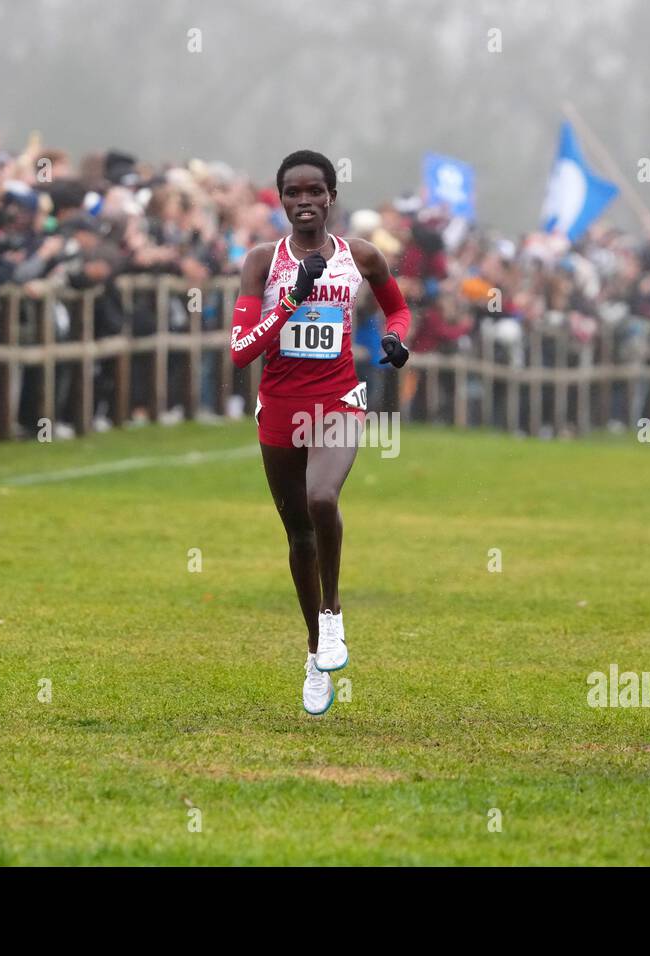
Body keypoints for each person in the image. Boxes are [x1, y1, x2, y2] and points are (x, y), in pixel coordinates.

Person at [230, 150, 412, 715]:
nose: (304, 201)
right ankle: (314, 652)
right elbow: (240, 352)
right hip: (279, 407)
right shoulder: (263, 261)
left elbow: (398, 311)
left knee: (321, 497)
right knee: (298, 536)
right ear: (281, 200)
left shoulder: (361, 257)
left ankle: (332, 615)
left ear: (331, 196)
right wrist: (289, 299)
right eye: (292, 193)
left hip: (335, 401)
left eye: (315, 191)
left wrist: (396, 341)